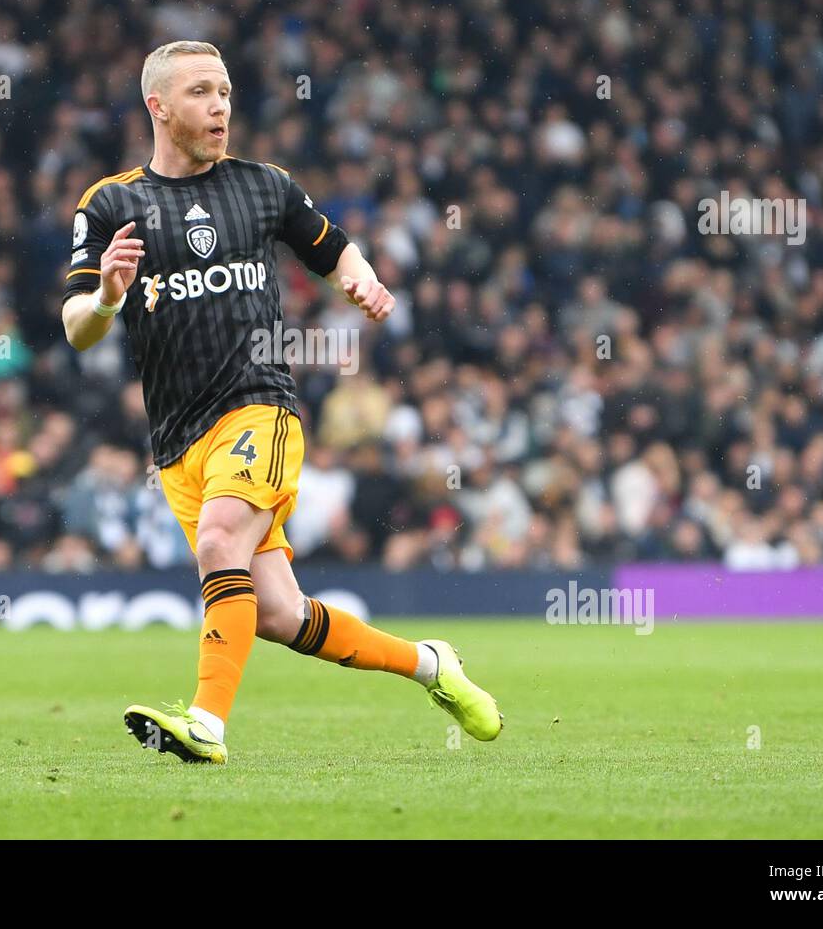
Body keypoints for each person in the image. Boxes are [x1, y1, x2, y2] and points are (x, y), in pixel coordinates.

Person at [62, 41, 502, 764]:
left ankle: (206, 723)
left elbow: (334, 248)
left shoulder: (264, 186)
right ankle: (432, 663)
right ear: (159, 107)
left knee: (217, 540)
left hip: (259, 405)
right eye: (201, 92)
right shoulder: (110, 203)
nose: (220, 106)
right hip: (177, 439)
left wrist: (360, 280)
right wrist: (108, 296)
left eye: (226, 92)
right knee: (279, 613)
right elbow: (77, 330)